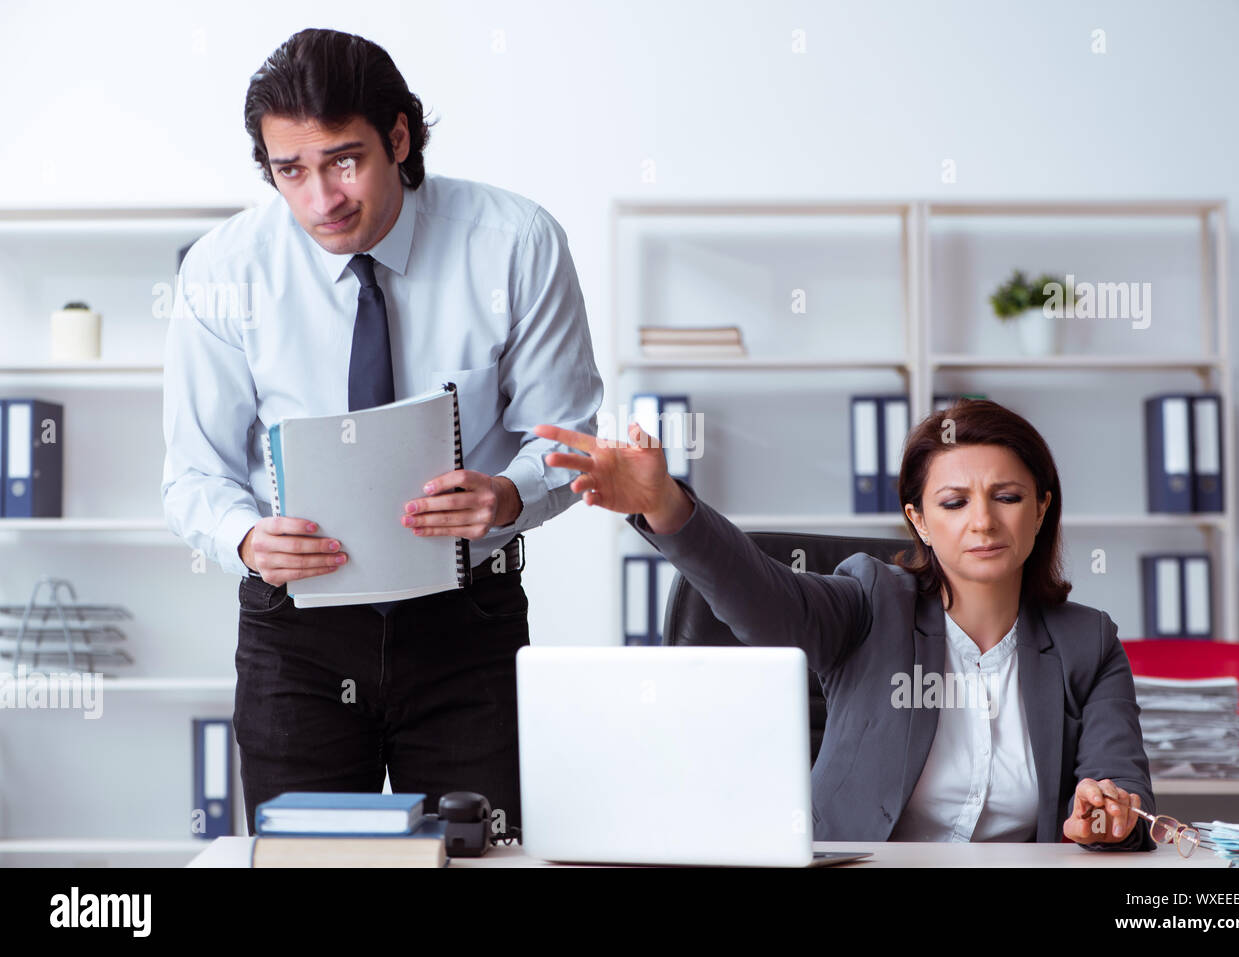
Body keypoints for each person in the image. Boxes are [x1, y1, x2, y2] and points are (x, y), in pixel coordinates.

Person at [161, 28, 602, 836]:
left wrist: (509, 493)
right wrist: (247, 538)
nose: (319, 198)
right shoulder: (225, 272)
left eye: (343, 160)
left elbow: (567, 439)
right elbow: (193, 473)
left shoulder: (516, 245)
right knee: (312, 864)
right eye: (289, 170)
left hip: (468, 623)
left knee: (481, 860)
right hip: (297, 634)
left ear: (399, 137)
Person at [535, 398, 1157, 849]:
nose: (983, 523)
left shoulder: (1088, 641)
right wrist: (666, 505)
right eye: (954, 502)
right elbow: (761, 597)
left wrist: (1107, 818)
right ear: (919, 520)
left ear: (1042, 507)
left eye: (1008, 496)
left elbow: (1123, 789)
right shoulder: (871, 603)